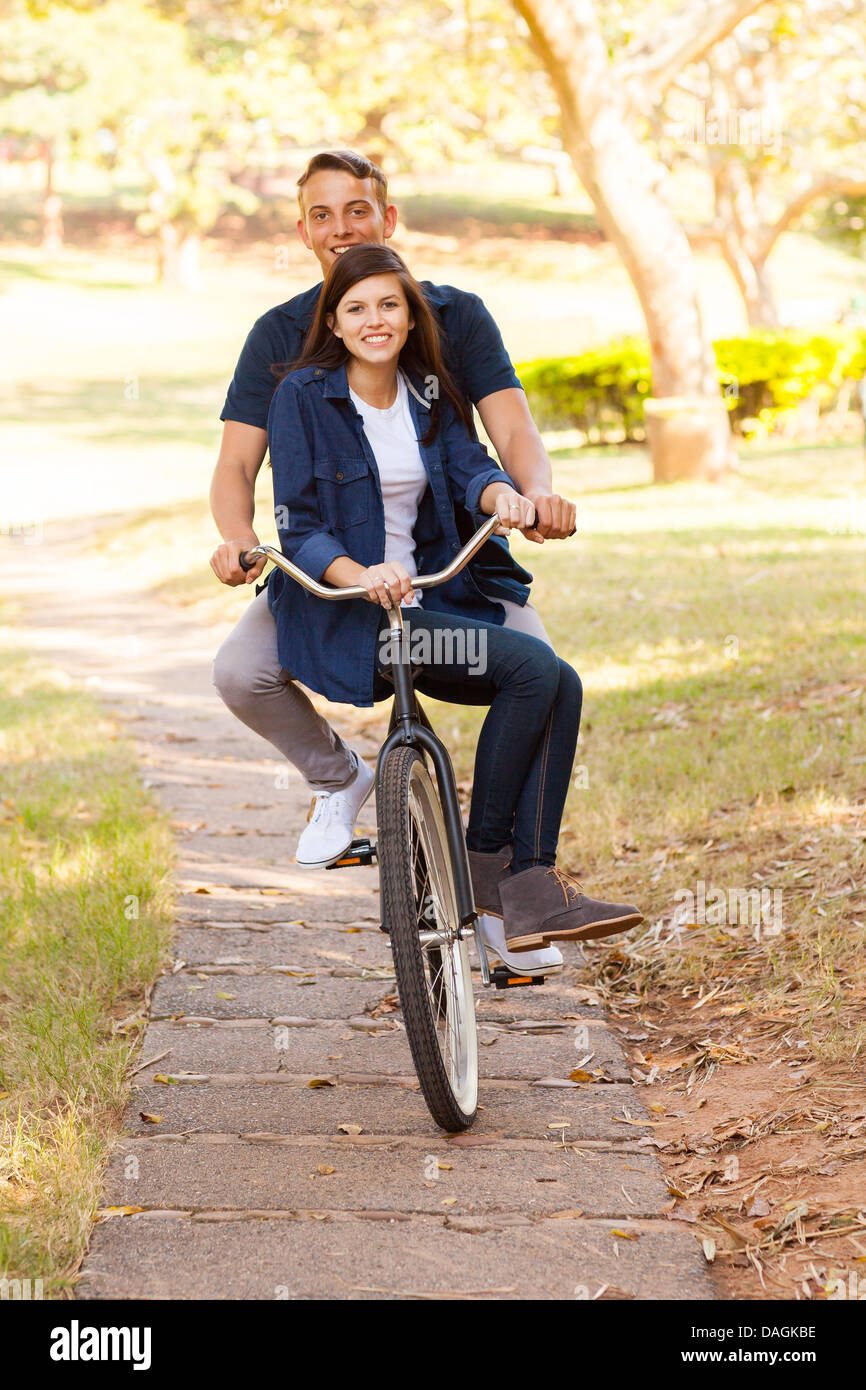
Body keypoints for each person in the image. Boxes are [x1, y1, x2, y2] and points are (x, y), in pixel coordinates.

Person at [265, 243, 643, 952]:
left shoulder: (428, 390)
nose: (375, 319)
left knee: (556, 679)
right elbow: (299, 524)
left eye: (389, 304)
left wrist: (508, 497)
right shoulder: (301, 397)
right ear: (335, 322)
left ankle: (529, 884)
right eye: (357, 308)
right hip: (357, 619)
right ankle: (488, 866)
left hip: (427, 613)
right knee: (534, 669)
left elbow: (472, 467)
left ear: (410, 318)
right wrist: (363, 573)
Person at [210, 148, 577, 869]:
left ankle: (514, 894)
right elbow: (235, 466)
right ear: (304, 231)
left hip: (448, 566)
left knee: (545, 678)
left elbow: (507, 433)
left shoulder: (451, 320)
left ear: (389, 217)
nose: (342, 228)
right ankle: (339, 779)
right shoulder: (280, 345)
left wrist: (531, 499)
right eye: (323, 214)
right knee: (239, 672)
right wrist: (239, 540)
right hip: (337, 572)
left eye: (358, 209)